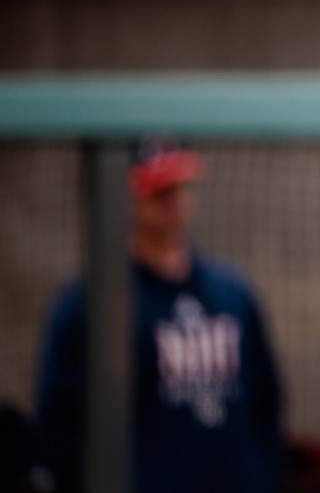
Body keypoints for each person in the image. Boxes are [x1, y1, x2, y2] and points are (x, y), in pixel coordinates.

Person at [34, 137, 285, 493]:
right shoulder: (91, 304)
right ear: (121, 196)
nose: (175, 202)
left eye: (179, 186)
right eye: (159, 191)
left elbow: (266, 405)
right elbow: (59, 427)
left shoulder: (233, 294)